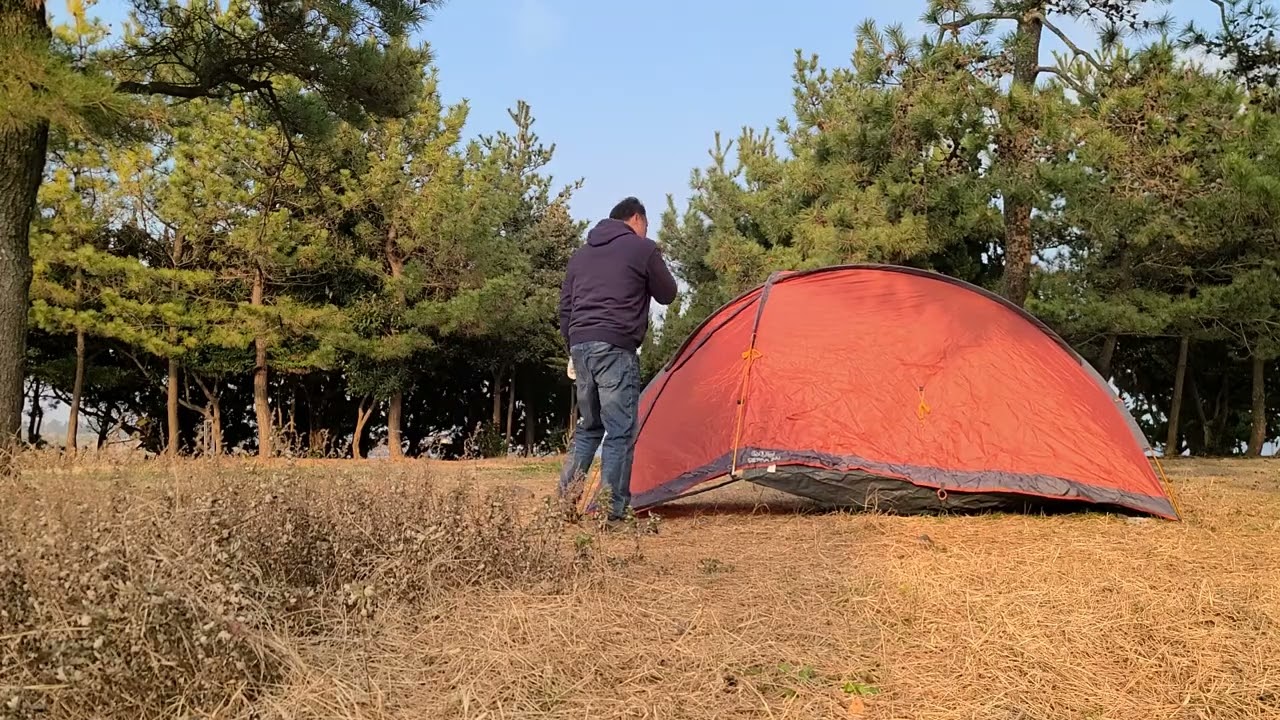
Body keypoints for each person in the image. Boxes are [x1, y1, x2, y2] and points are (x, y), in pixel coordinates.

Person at [558, 197, 678, 524]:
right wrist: (651, 256)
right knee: (619, 431)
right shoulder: (642, 249)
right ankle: (611, 513)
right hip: (615, 347)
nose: (645, 232)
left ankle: (565, 507)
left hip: (581, 347)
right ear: (636, 218)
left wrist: (574, 346)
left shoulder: (580, 256)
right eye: (645, 226)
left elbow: (565, 308)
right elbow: (668, 293)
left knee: (588, 429)